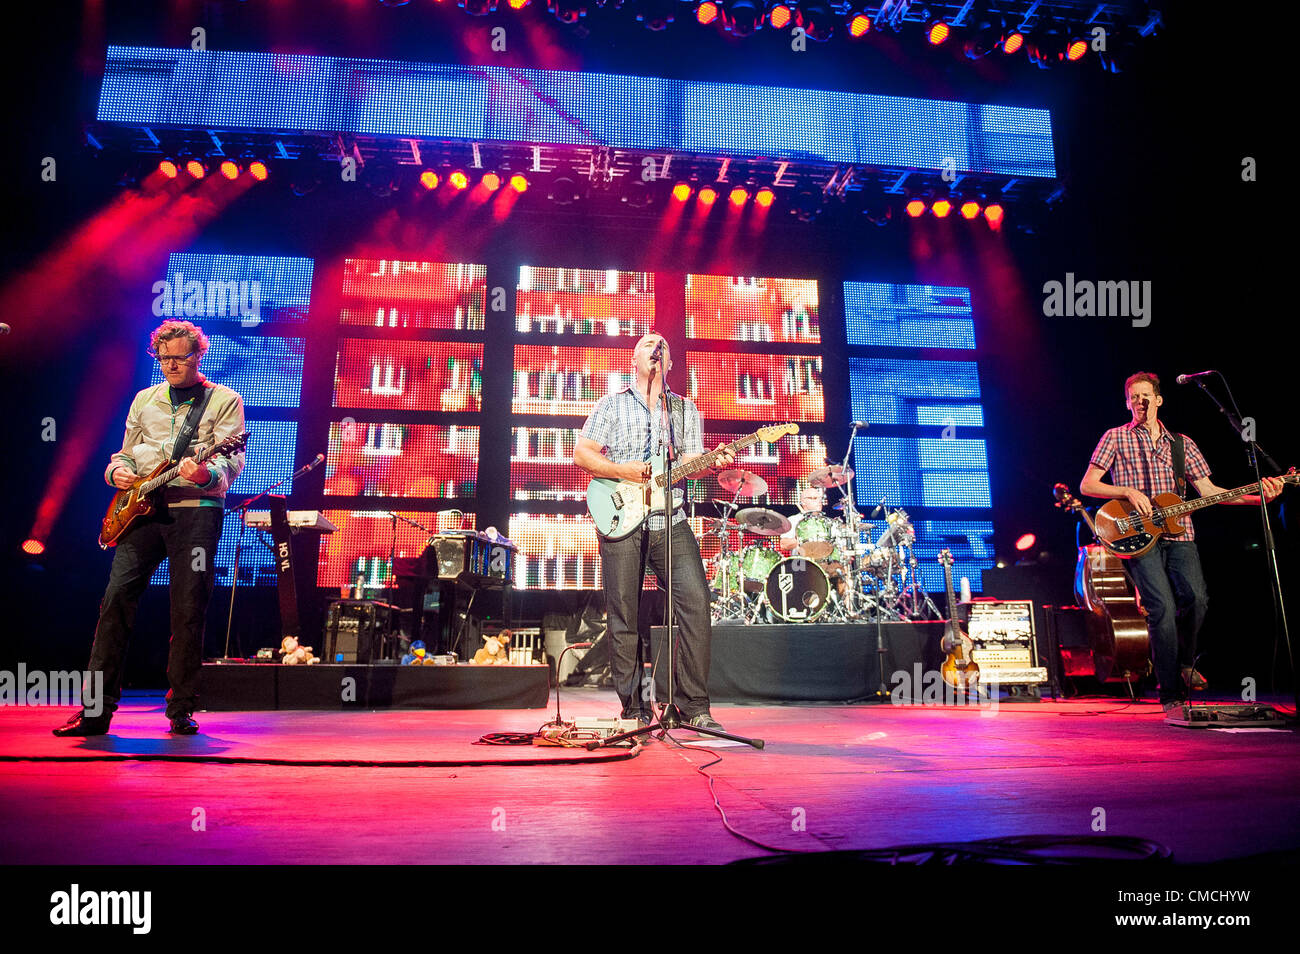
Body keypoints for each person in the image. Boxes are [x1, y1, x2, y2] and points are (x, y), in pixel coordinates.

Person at [54, 320, 245, 737]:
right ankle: (94, 711)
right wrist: (116, 472)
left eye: (180, 357)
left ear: (199, 355)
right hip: (142, 510)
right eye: (164, 359)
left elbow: (231, 462)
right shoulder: (144, 399)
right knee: (116, 600)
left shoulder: (224, 400)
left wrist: (203, 475)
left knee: (188, 607)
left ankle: (181, 709)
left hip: (195, 511)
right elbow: (122, 456)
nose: (171, 365)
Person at [1079, 372, 1283, 710]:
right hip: (1137, 536)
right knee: (1162, 607)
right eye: (1134, 397)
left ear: (1159, 400)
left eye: (1146, 396)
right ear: (1127, 403)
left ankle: (1186, 663)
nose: (1140, 402)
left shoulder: (1182, 444)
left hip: (1180, 533)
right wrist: (1127, 491)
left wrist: (1255, 498)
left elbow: (1209, 492)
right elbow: (1089, 484)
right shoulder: (1115, 437)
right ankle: (1170, 692)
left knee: (1197, 598)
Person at [573, 333, 734, 732]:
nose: (656, 347)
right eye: (648, 343)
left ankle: (692, 705)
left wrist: (713, 462)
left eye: (662, 344)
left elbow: (692, 462)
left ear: (670, 363)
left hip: (671, 520)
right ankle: (634, 708)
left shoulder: (683, 409)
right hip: (622, 519)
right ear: (634, 359)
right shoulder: (610, 404)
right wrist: (622, 470)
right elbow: (583, 454)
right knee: (624, 615)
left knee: (696, 602)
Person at [778, 484, 828, 555]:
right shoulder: (793, 520)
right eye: (814, 498)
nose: (819, 501)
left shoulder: (827, 522)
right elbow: (784, 544)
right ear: (803, 501)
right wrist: (805, 539)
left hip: (824, 563)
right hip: (801, 563)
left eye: (820, 498)